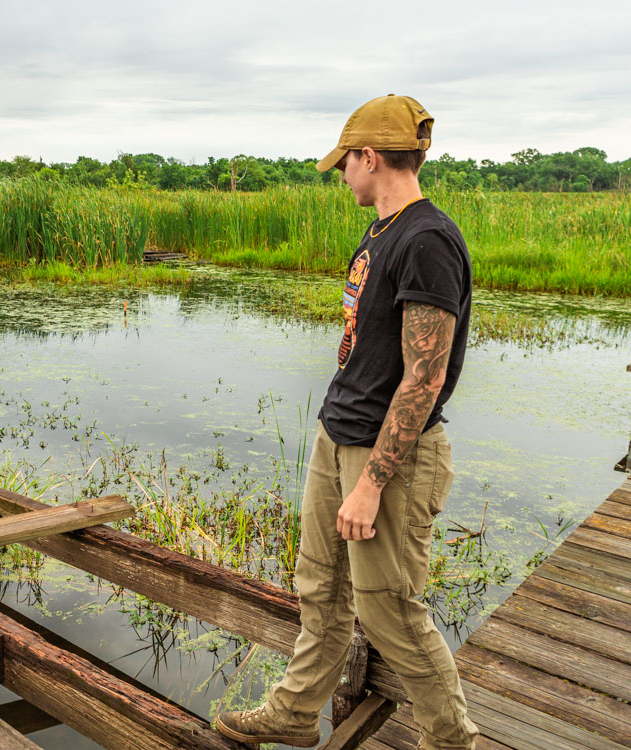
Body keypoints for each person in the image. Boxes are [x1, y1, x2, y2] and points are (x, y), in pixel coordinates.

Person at [214, 94, 479, 749]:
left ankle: (452, 740)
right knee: (321, 591)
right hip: (340, 435)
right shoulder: (383, 229)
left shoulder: (428, 240)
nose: (340, 176)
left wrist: (371, 484)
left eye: (344, 163)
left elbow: (424, 377)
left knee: (388, 609)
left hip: (386, 456)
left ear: (370, 157)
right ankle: (296, 714)